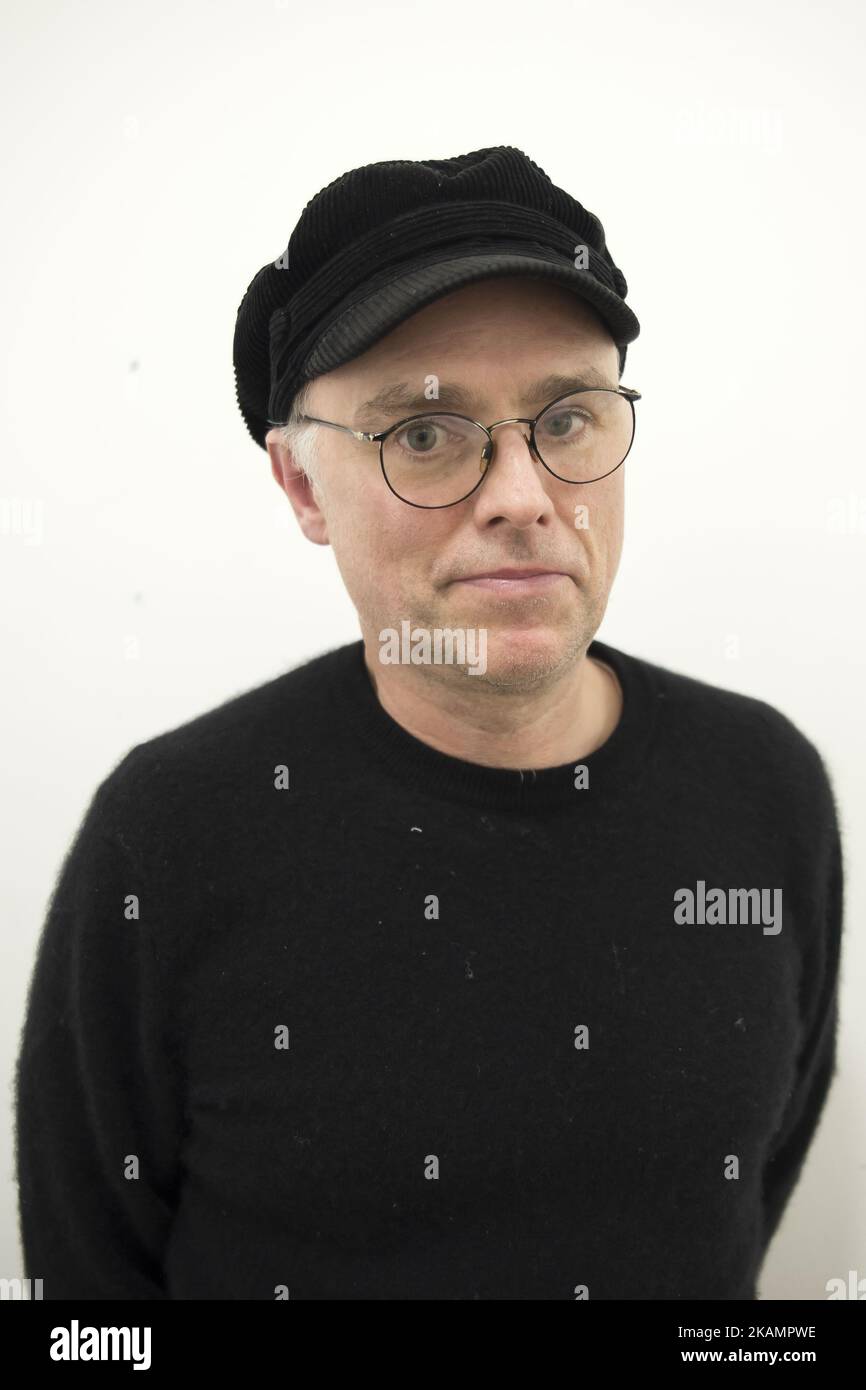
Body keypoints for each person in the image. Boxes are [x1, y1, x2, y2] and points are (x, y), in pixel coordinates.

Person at [15, 146, 844, 1300]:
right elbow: (89, 1300)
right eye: (421, 434)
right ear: (302, 488)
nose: (519, 493)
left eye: (567, 417)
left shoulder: (763, 789)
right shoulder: (169, 832)